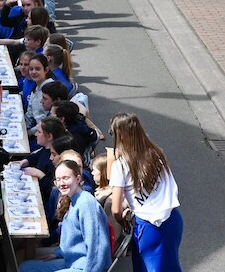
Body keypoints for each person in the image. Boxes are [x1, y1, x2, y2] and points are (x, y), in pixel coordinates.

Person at [110, 112, 183, 272]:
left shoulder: (120, 166)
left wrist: (123, 221)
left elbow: (116, 209)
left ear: (119, 136)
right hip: (172, 219)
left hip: (148, 228)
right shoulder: (157, 154)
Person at [21, 160, 113, 272]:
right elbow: (72, 240)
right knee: (25, 267)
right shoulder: (72, 199)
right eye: (58, 180)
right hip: (71, 261)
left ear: (78, 179)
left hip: (84, 266)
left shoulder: (86, 203)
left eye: (65, 178)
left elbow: (98, 247)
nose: (61, 183)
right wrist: (57, 253)